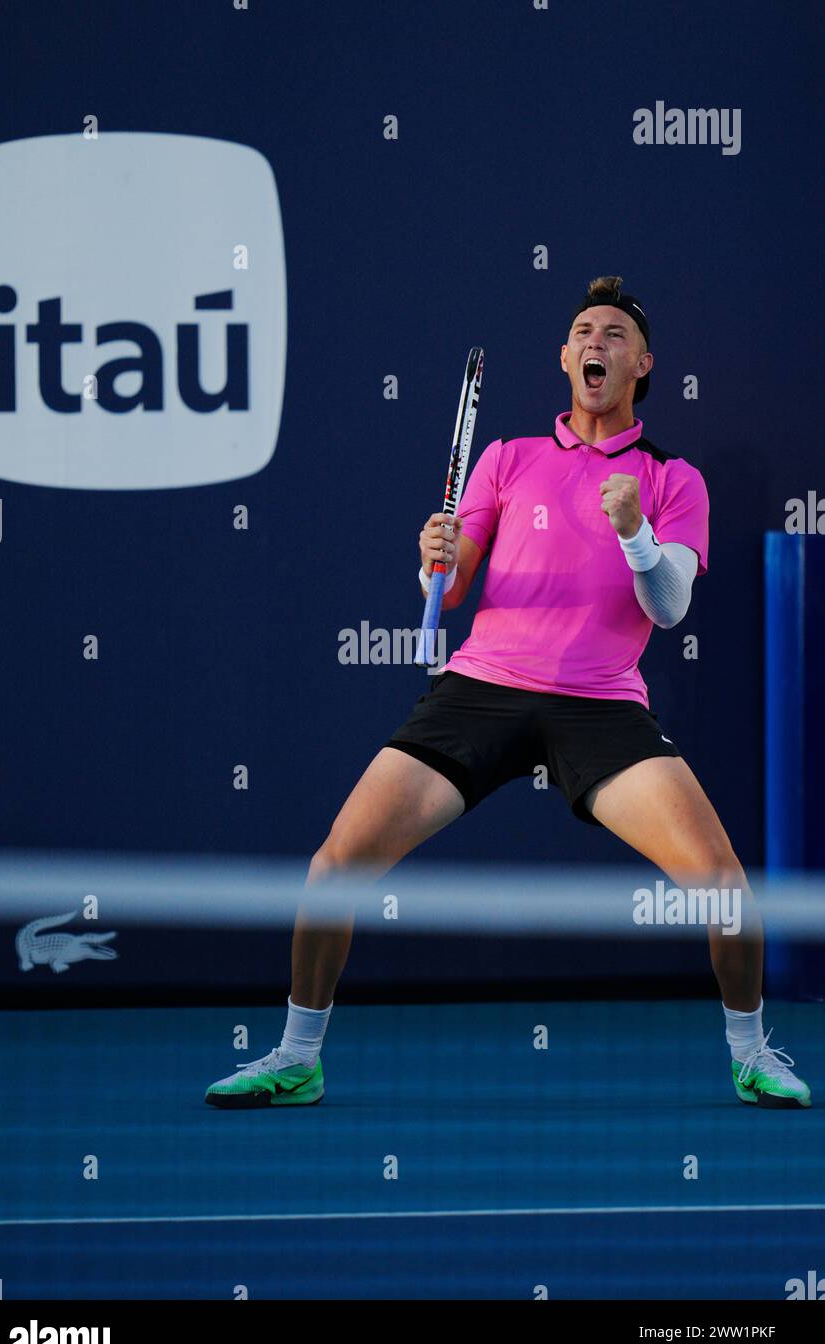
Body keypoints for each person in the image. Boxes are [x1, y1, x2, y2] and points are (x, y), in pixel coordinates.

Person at [206, 275, 810, 1112]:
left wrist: (634, 529)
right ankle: (297, 1055)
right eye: (582, 332)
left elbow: (668, 609)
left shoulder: (672, 480)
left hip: (602, 704)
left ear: (642, 364)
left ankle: (751, 1055)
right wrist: (432, 557)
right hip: (482, 688)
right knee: (335, 864)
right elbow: (444, 593)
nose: (595, 341)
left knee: (722, 880)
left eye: (613, 333)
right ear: (565, 359)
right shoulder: (507, 458)